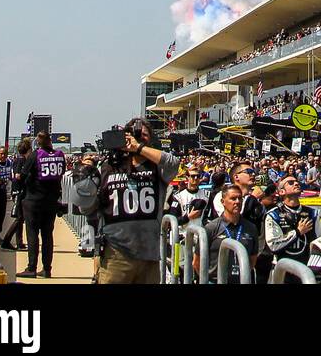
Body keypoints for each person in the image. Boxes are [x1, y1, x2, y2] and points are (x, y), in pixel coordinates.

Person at [72, 119, 180, 284]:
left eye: (144, 135)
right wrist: (85, 188)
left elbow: (174, 163)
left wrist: (139, 148)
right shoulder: (108, 166)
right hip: (116, 253)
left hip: (148, 254)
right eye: (134, 135)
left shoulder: (157, 167)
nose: (139, 138)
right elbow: (88, 209)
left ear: (149, 140)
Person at [17, 131, 66, 279]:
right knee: (47, 235)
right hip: (51, 201)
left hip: (33, 200)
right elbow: (62, 172)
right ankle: (47, 269)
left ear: (38, 143)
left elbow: (23, 176)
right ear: (51, 141)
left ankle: (31, 268)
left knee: (32, 234)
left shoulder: (35, 155)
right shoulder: (59, 155)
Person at [202, 184, 258, 283]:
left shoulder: (251, 228)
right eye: (233, 198)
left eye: (240, 198)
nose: (237, 202)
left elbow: (252, 260)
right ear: (223, 202)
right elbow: (197, 261)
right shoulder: (211, 228)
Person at [264, 173, 318, 271]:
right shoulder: (273, 214)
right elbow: (273, 245)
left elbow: (320, 243)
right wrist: (297, 232)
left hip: (306, 269)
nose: (296, 184)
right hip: (282, 270)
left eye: (297, 181)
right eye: (290, 183)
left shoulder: (312, 213)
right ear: (281, 192)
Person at [0, 139, 32, 251]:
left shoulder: (18, 160)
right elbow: (18, 176)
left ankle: (19, 242)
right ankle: (6, 241)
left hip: (19, 191)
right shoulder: (21, 160)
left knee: (21, 218)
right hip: (19, 191)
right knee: (19, 218)